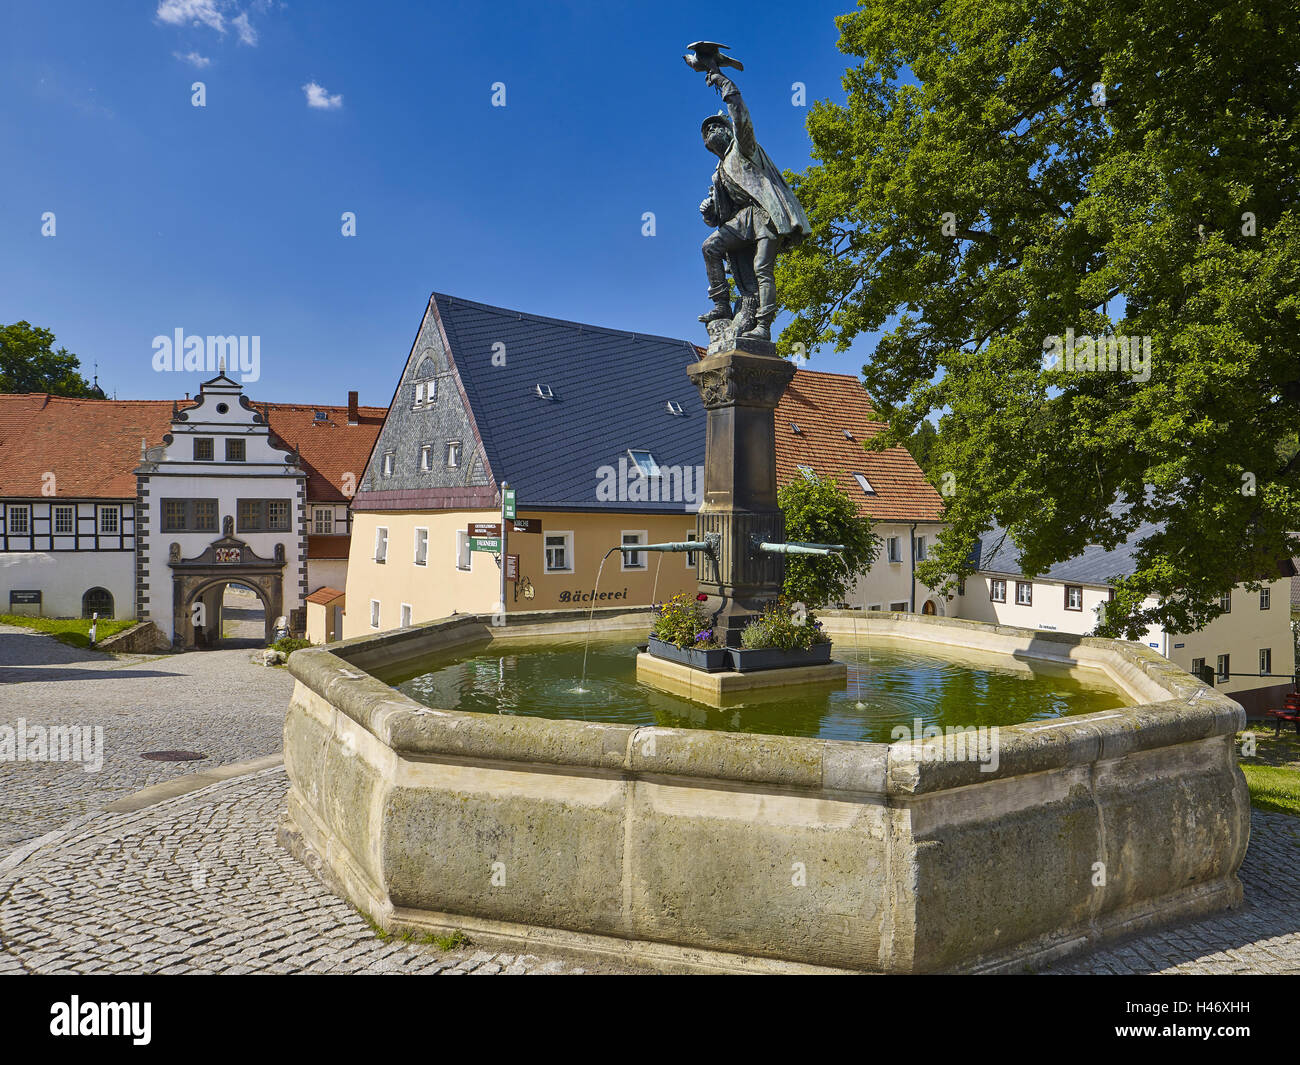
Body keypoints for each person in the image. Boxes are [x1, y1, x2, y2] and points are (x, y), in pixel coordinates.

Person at [698, 71, 810, 341]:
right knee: (710, 247)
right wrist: (708, 211)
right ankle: (722, 304)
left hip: (764, 215)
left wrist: (723, 82)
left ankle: (763, 325)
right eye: (706, 131)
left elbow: (739, 113)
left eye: (715, 127)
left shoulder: (743, 148)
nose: (711, 131)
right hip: (743, 220)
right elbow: (719, 215)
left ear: (727, 131)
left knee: (761, 268)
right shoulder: (719, 171)